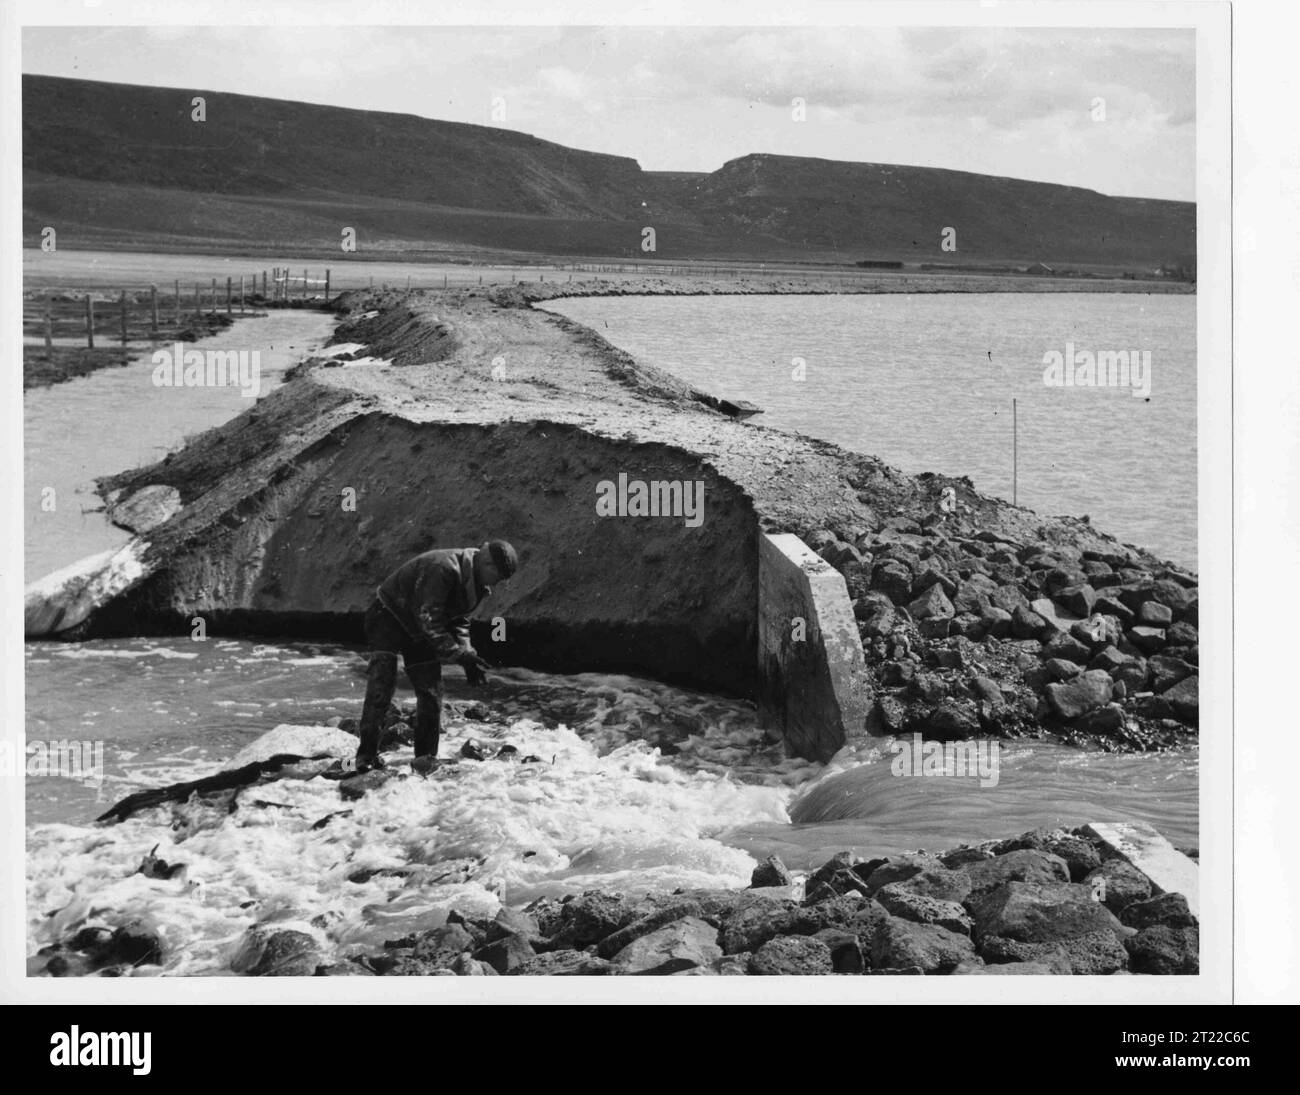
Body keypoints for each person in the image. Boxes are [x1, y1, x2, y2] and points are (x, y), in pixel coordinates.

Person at [353, 539, 518, 771]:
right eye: (498, 577)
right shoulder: (445, 568)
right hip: (387, 616)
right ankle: (366, 756)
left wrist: (468, 655)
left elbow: (459, 621)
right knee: (383, 683)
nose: (497, 584)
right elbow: (430, 620)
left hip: (418, 629)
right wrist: (459, 655)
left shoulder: (477, 585)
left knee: (431, 692)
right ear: (488, 564)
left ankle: (425, 759)